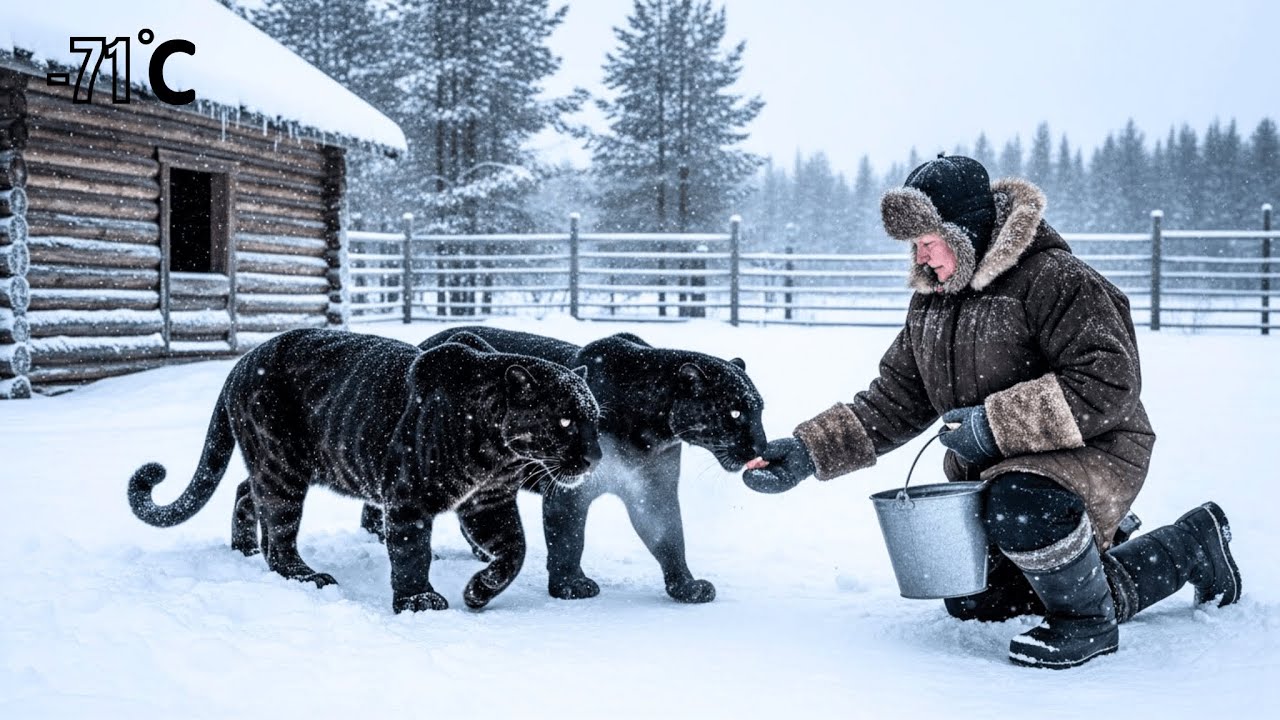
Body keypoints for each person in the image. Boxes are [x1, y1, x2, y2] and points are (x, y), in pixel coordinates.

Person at [742, 154, 1242, 669]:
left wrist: (994, 425)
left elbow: (1109, 380)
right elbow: (894, 398)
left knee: (1021, 505)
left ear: (964, 233)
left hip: (1095, 448)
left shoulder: (1054, 279)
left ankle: (1088, 622)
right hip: (1000, 467)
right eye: (914, 246)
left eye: (928, 242)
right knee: (977, 602)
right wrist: (807, 453)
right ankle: (1188, 546)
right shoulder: (934, 302)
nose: (921, 257)